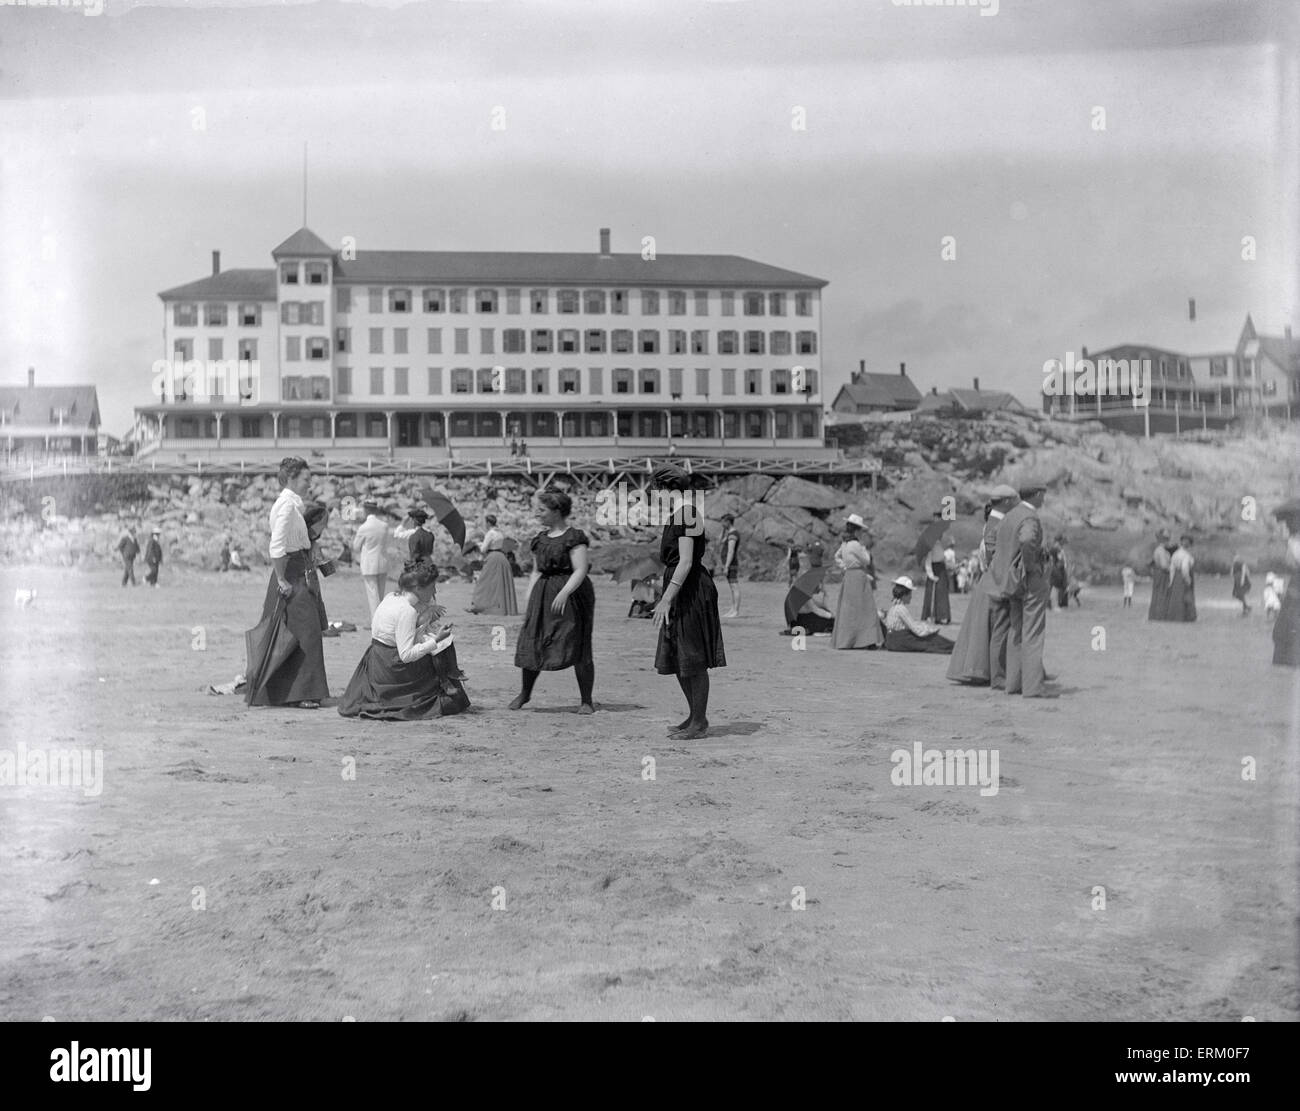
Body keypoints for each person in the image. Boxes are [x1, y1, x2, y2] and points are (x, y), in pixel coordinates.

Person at [337, 559, 468, 720]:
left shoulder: (391, 597)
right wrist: (436, 640)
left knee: (438, 646)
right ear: (419, 588)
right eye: (432, 587)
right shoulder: (407, 611)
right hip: (391, 666)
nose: (435, 592)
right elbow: (406, 655)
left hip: (376, 661)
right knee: (453, 700)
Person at [246, 457, 329, 709]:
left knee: (301, 631)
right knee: (305, 632)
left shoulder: (293, 505)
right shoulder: (286, 506)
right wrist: (281, 578)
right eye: (306, 479)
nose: (310, 484)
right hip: (290, 574)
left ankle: (295, 690)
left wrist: (312, 548)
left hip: (298, 570)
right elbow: (277, 545)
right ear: (292, 479)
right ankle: (300, 692)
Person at [651, 463, 726, 739]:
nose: (655, 496)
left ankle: (700, 721)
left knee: (692, 656)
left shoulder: (689, 514)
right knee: (677, 654)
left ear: (668, 489)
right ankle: (695, 716)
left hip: (691, 588)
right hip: (681, 586)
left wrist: (666, 599)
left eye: (656, 491)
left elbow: (685, 562)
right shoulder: (679, 514)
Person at [511, 491, 596, 713]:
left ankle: (586, 700)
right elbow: (536, 571)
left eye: (542, 510)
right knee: (534, 640)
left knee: (577, 643)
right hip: (543, 593)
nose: (537, 513)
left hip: (573, 595)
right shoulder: (539, 539)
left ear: (557, 511)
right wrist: (529, 594)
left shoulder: (574, 537)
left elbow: (580, 570)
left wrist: (565, 592)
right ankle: (525, 693)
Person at [987, 480, 1052, 697]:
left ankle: (1012, 683)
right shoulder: (1029, 517)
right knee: (1032, 632)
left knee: (1015, 630)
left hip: (1010, 580)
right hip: (1029, 580)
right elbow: (1026, 539)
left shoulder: (1010, 515)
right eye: (1042, 494)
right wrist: (1032, 565)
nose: (1044, 498)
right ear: (1035, 495)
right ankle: (1033, 687)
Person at [947, 485, 1017, 685]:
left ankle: (985, 670)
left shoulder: (991, 524)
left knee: (983, 629)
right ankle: (995, 674)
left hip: (986, 579)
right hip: (994, 580)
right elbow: (996, 555)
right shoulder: (997, 525)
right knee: (996, 628)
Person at [832, 513, 882, 649]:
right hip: (859, 576)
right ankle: (866, 641)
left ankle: (848, 640)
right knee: (866, 608)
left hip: (849, 575)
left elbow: (837, 557)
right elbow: (867, 560)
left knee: (849, 610)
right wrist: (864, 548)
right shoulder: (855, 544)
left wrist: (844, 566)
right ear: (857, 530)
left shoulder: (845, 543)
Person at [883, 577, 955, 653]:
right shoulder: (901, 609)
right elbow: (917, 631)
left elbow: (908, 625)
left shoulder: (893, 608)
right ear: (904, 595)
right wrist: (930, 631)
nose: (911, 597)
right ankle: (954, 646)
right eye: (910, 594)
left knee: (929, 640)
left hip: (891, 641)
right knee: (930, 642)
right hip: (900, 641)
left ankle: (952, 645)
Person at [468, 513, 519, 615]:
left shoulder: (490, 533)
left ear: (488, 523)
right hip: (501, 557)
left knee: (482, 583)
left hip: (492, 558)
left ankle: (478, 606)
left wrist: (478, 544)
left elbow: (483, 549)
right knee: (498, 585)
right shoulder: (500, 533)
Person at [352, 501, 395, 620]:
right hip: (382, 561)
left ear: (366, 510)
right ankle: (381, 620)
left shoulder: (364, 527)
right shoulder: (384, 525)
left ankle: (376, 621)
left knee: (373, 596)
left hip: (369, 564)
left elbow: (356, 547)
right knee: (380, 594)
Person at [920, 518, 952, 624]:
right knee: (933, 594)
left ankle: (942, 616)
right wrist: (931, 575)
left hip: (941, 570)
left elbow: (942, 557)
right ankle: (930, 615)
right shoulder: (931, 544)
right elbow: (928, 561)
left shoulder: (939, 544)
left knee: (942, 594)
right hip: (934, 571)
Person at [1166, 535, 1197, 622]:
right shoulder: (1186, 555)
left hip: (1176, 577)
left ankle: (1174, 616)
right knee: (1186, 596)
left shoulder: (1175, 554)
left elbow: (1172, 567)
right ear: (1190, 545)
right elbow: (1184, 568)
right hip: (1183, 577)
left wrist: (1171, 580)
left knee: (1177, 596)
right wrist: (1188, 580)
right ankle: (1185, 616)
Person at [1148, 528, 1174, 621]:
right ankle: (1160, 615)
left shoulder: (1159, 549)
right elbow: (1164, 565)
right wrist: (1172, 569)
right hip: (1162, 575)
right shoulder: (1161, 550)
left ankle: (1156, 615)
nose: (1168, 541)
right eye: (1166, 539)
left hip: (1158, 574)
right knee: (1162, 594)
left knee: (1158, 594)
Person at [719, 514, 742, 617]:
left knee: (734, 586)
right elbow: (720, 541)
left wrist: (727, 566)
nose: (721, 524)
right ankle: (732, 609)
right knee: (732, 587)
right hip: (728, 563)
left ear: (728, 521)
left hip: (731, 564)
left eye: (723, 522)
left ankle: (735, 610)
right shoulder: (729, 533)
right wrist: (724, 530)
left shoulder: (733, 534)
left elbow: (731, 551)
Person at [1048, 536, 1069, 609]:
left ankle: (1057, 604)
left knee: (1057, 588)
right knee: (1055, 588)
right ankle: (1054, 605)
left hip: (1057, 569)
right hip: (1056, 570)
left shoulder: (1056, 548)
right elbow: (1059, 560)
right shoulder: (1055, 549)